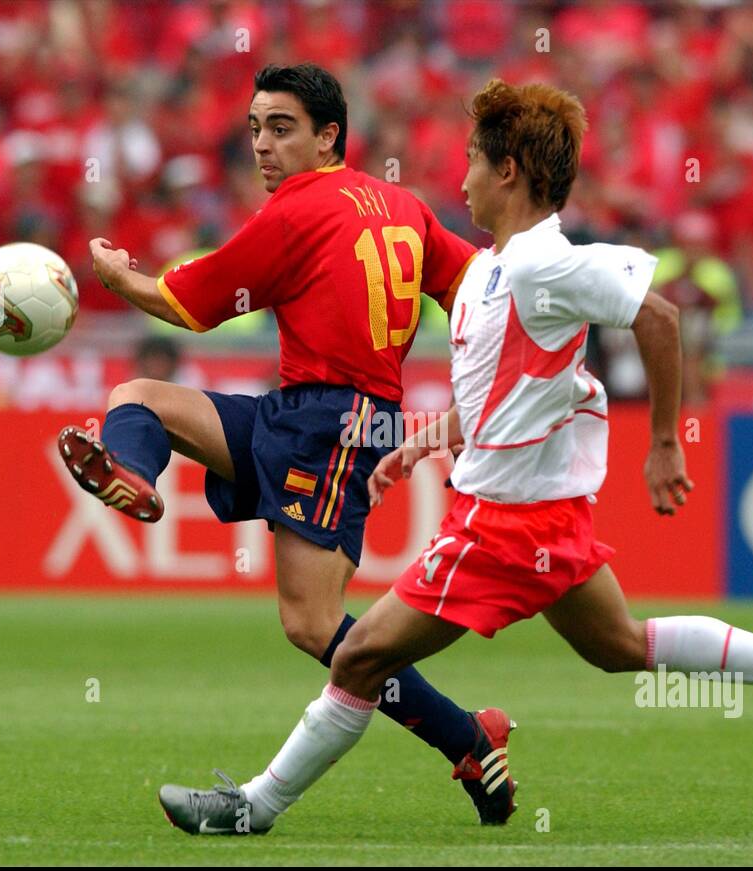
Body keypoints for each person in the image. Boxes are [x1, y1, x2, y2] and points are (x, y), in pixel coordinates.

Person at [158, 79, 753, 836]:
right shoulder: (490, 273)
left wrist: (667, 440)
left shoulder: (544, 263)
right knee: (619, 646)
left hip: (500, 526)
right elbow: (510, 395)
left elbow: (659, 316)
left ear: (508, 172)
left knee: (358, 658)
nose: (463, 179)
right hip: (548, 519)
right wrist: (420, 443)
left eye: (475, 160)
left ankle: (254, 807)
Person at [56, 64, 516, 825]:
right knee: (135, 400)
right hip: (298, 412)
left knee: (313, 625)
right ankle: (135, 476)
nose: (262, 147)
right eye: (255, 130)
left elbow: (184, 303)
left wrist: (115, 274)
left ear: (328, 135)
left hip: (335, 425)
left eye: (281, 129)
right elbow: (474, 286)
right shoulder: (404, 206)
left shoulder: (299, 210)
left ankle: (468, 738)